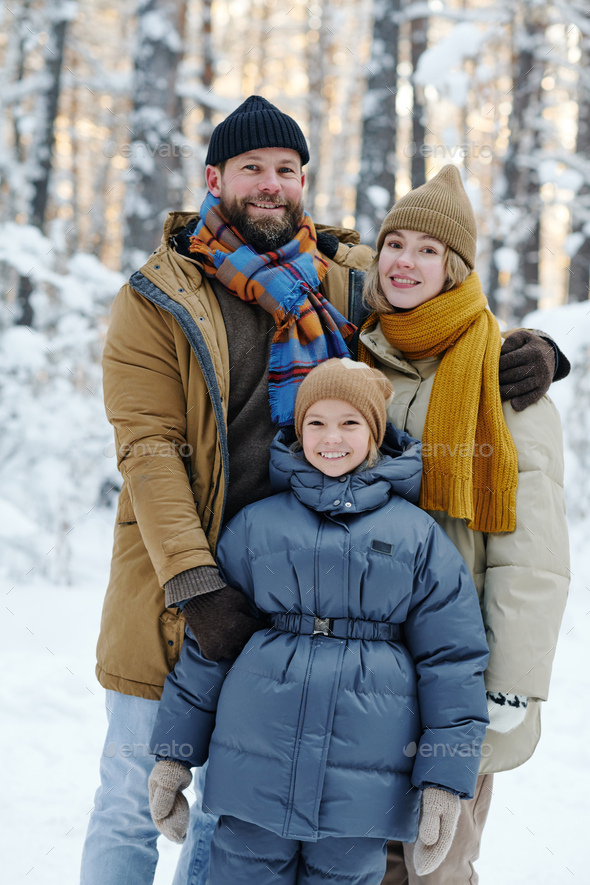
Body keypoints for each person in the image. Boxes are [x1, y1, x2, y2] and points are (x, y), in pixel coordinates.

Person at [80, 91, 567, 885]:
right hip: (181, 589)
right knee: (132, 801)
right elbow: (149, 453)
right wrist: (197, 583)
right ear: (213, 177)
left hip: (306, 593)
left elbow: (444, 293)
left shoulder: (338, 274)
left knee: (236, 809)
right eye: (251, 169)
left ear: (303, 181)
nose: (270, 184)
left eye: (286, 169)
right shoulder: (155, 299)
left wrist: (536, 348)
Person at [148, 357, 490, 885]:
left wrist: (446, 782)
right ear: (298, 430)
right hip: (254, 776)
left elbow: (452, 662)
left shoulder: (417, 536)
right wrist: (174, 756)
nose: (332, 437)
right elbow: (209, 651)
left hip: (362, 796)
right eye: (317, 423)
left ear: (375, 433)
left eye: (350, 423)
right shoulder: (257, 525)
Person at [355, 164, 570, 884]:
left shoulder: (506, 378)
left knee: (436, 861)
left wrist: (509, 683)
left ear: (456, 268)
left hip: (456, 673)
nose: (405, 261)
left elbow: (533, 555)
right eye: (395, 244)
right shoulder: (357, 358)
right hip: (363, 665)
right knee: (363, 862)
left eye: (427, 249)